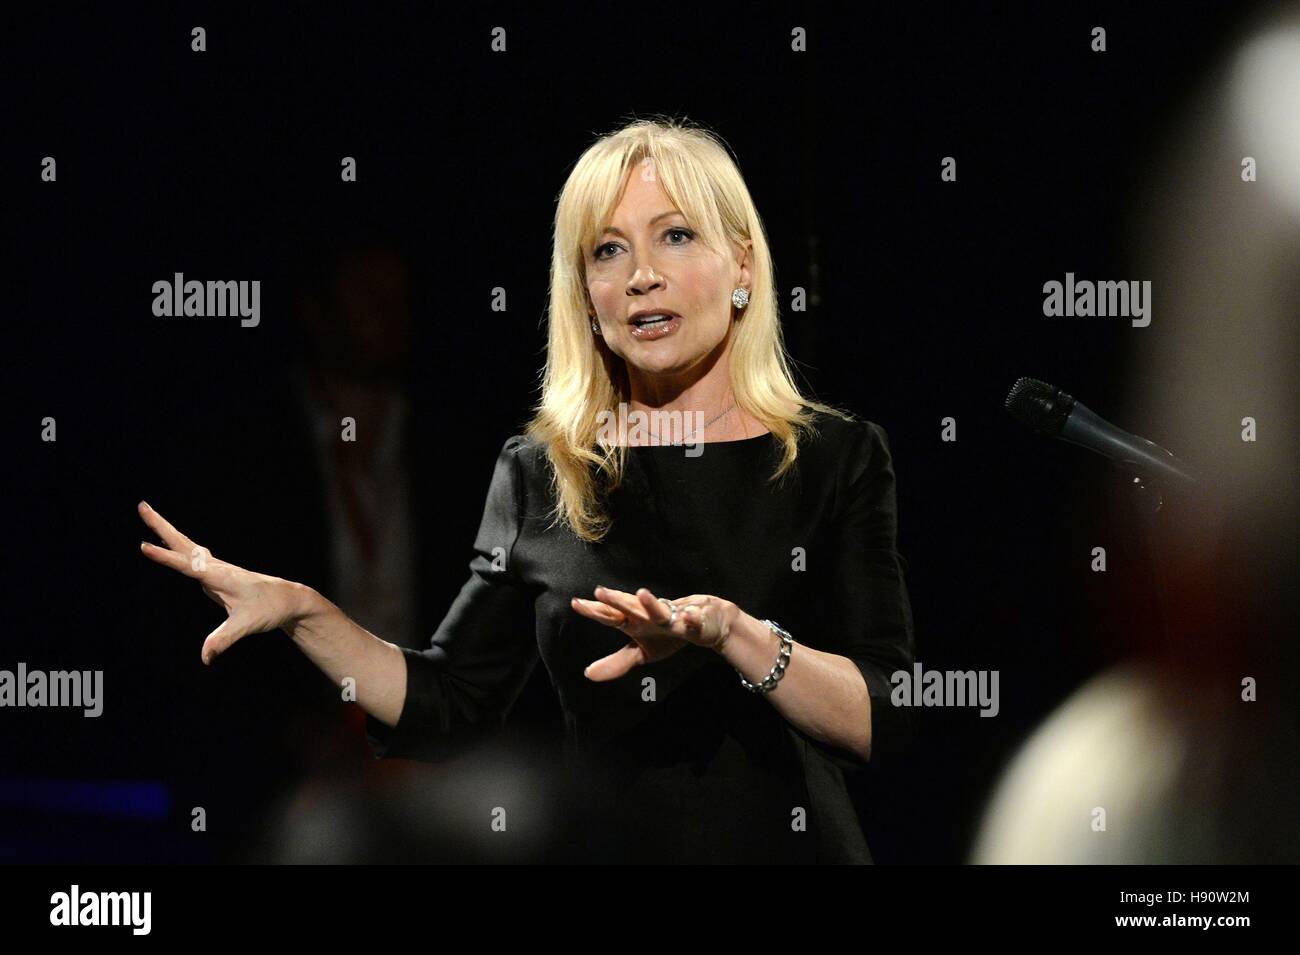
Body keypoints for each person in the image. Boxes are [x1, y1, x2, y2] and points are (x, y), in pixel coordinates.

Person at [138, 116, 917, 864]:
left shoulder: (833, 456)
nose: (642, 274)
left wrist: (735, 635)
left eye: (676, 236)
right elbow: (449, 704)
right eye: (607, 251)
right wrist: (305, 611)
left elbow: (881, 716)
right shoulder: (542, 470)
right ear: (584, 292)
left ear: (743, 264)